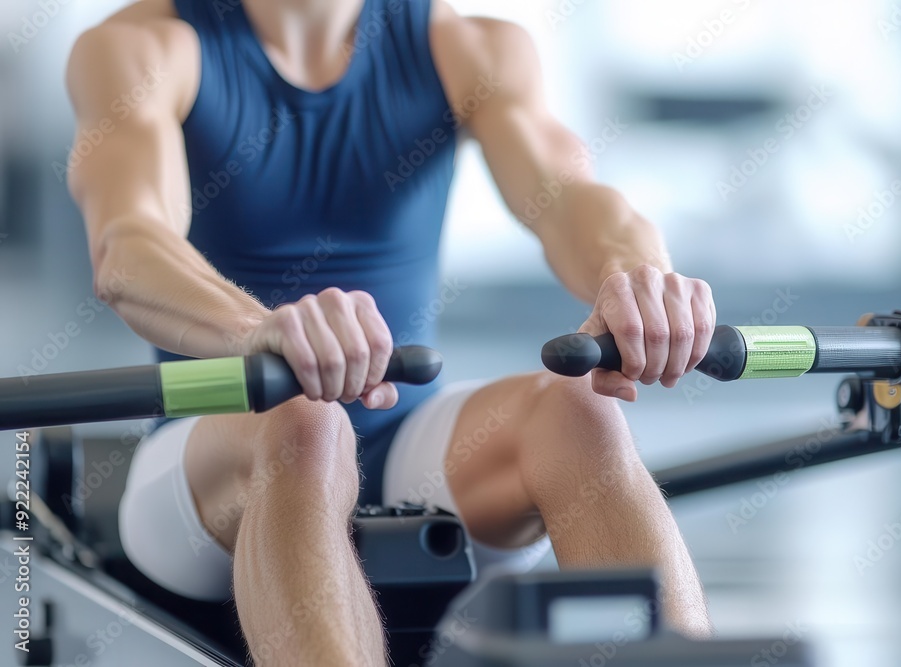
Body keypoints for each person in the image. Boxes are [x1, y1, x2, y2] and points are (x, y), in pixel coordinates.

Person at [66, 0, 717, 664]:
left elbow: (569, 194)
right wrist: (260, 329)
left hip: (403, 441)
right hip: (207, 461)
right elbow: (129, 244)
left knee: (581, 409)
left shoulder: (467, 47)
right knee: (306, 423)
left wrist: (634, 276)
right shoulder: (142, 47)